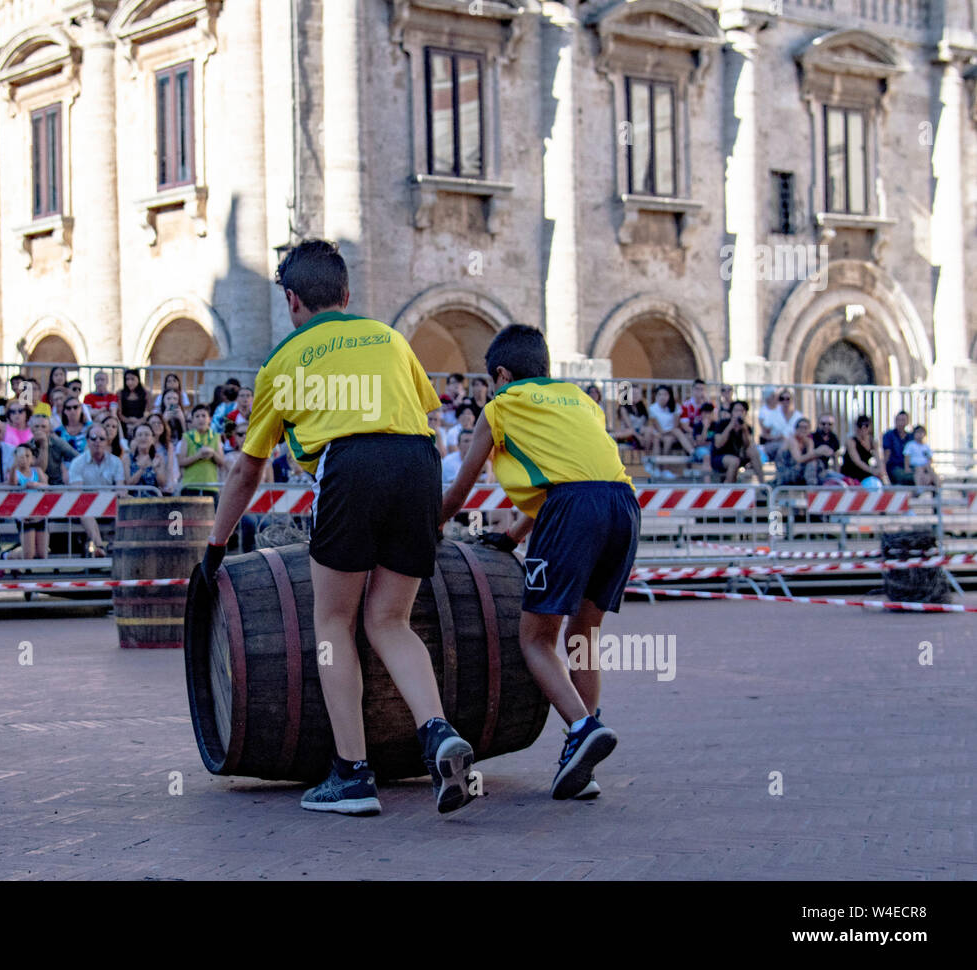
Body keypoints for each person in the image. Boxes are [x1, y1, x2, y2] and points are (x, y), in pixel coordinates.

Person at [200, 238, 475, 817]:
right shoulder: (391, 339)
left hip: (350, 466)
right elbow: (428, 420)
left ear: (292, 301)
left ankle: (351, 774)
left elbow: (249, 470)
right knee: (390, 619)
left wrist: (216, 545)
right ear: (347, 294)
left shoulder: (280, 363)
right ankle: (436, 732)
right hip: (418, 462)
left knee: (333, 622)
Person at [440, 323, 637, 802]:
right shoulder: (580, 401)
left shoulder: (501, 406)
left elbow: (464, 486)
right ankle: (582, 767)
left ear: (501, 374)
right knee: (583, 636)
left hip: (572, 509)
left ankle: (582, 727)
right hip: (624, 505)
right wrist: (511, 536)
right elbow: (570, 476)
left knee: (535, 638)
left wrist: (430, 526)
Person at [65, 423, 124, 557]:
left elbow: (121, 489)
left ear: (107, 441)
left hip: (110, 505)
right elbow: (76, 492)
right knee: (83, 507)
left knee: (126, 502)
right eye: (93, 438)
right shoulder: (77, 463)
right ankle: (99, 546)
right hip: (86, 506)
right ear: (87, 440)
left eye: (101, 439)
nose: (97, 442)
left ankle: (118, 546)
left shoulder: (116, 462)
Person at [7, 443, 48, 561]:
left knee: (42, 554)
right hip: (24, 515)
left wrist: (35, 484)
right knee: (28, 555)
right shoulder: (14, 473)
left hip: (40, 514)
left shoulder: (37, 471)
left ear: (32, 459)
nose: (24, 459)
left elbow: (47, 486)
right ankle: (7, 556)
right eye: (20, 457)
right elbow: (12, 484)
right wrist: (13, 467)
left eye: (27, 456)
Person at [177, 404, 225, 500]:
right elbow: (181, 462)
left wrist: (213, 453)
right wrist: (198, 456)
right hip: (190, 486)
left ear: (210, 419)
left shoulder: (215, 436)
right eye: (197, 416)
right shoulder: (187, 436)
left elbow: (222, 462)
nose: (201, 419)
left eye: (204, 416)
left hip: (211, 486)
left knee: (212, 515)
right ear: (193, 420)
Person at [708, 400, 764, 483]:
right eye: (736, 410)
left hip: (738, 457)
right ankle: (728, 490)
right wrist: (730, 426)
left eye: (741, 411)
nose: (739, 413)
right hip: (720, 457)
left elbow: (748, 445)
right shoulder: (722, 424)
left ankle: (763, 484)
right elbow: (718, 444)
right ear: (731, 412)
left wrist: (744, 430)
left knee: (753, 452)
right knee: (734, 461)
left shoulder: (746, 427)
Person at [27, 414, 76, 486]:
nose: (40, 429)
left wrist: (69, 471)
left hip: (57, 486)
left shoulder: (57, 442)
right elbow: (38, 470)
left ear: (49, 429)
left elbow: (77, 457)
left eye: (43, 427)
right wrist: (43, 444)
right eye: (36, 426)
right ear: (31, 429)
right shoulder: (27, 446)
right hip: (36, 487)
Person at [646, 384, 693, 458]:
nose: (662, 397)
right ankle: (692, 452)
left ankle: (691, 453)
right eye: (660, 394)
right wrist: (670, 431)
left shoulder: (676, 407)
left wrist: (674, 407)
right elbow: (659, 428)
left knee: (673, 436)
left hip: (673, 434)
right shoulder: (652, 408)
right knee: (668, 437)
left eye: (665, 394)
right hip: (660, 433)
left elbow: (676, 425)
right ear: (656, 396)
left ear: (669, 396)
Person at [775, 417, 825, 487]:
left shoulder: (808, 441)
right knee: (813, 462)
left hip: (800, 472)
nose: (803, 430)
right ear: (796, 428)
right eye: (800, 427)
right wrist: (817, 452)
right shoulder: (792, 440)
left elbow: (810, 458)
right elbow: (799, 459)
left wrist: (816, 452)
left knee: (817, 463)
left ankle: (815, 486)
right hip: (786, 473)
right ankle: (812, 487)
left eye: (805, 428)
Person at [842, 415, 888, 486]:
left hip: (866, 471)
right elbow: (857, 461)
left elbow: (879, 458)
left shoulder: (872, 441)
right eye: (860, 425)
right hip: (852, 471)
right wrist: (872, 471)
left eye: (866, 425)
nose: (863, 428)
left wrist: (882, 472)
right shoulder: (851, 441)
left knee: (881, 477)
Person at [124, 422, 168, 492]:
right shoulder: (128, 458)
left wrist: (155, 468)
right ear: (135, 438)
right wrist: (142, 469)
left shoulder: (158, 458)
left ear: (153, 439)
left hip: (154, 500)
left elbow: (163, 484)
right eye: (139, 435)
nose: (143, 438)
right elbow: (128, 484)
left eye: (147, 434)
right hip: (132, 500)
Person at [882, 410, 915, 486]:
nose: (900, 422)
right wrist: (883, 470)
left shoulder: (911, 436)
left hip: (909, 466)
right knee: (911, 477)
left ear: (907, 421)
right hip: (895, 466)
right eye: (898, 420)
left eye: (903, 420)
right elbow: (887, 453)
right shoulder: (889, 435)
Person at [905, 425, 940, 490]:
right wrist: (907, 467)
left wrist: (928, 465)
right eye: (917, 432)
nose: (919, 435)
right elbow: (907, 457)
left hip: (926, 466)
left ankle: (938, 489)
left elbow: (930, 458)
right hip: (915, 466)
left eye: (921, 433)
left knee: (933, 472)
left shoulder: (926, 446)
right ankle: (919, 488)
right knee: (919, 471)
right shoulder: (910, 445)